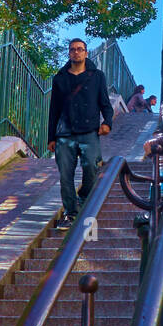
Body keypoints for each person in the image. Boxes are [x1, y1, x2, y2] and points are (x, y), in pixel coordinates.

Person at [47, 38, 113, 225]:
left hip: (89, 132)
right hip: (64, 134)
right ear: (69, 53)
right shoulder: (59, 78)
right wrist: (51, 137)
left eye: (80, 49)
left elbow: (105, 104)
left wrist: (107, 122)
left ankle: (84, 198)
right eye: (73, 50)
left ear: (86, 53)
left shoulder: (97, 76)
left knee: (92, 167)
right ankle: (71, 212)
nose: (76, 52)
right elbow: (54, 110)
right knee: (65, 175)